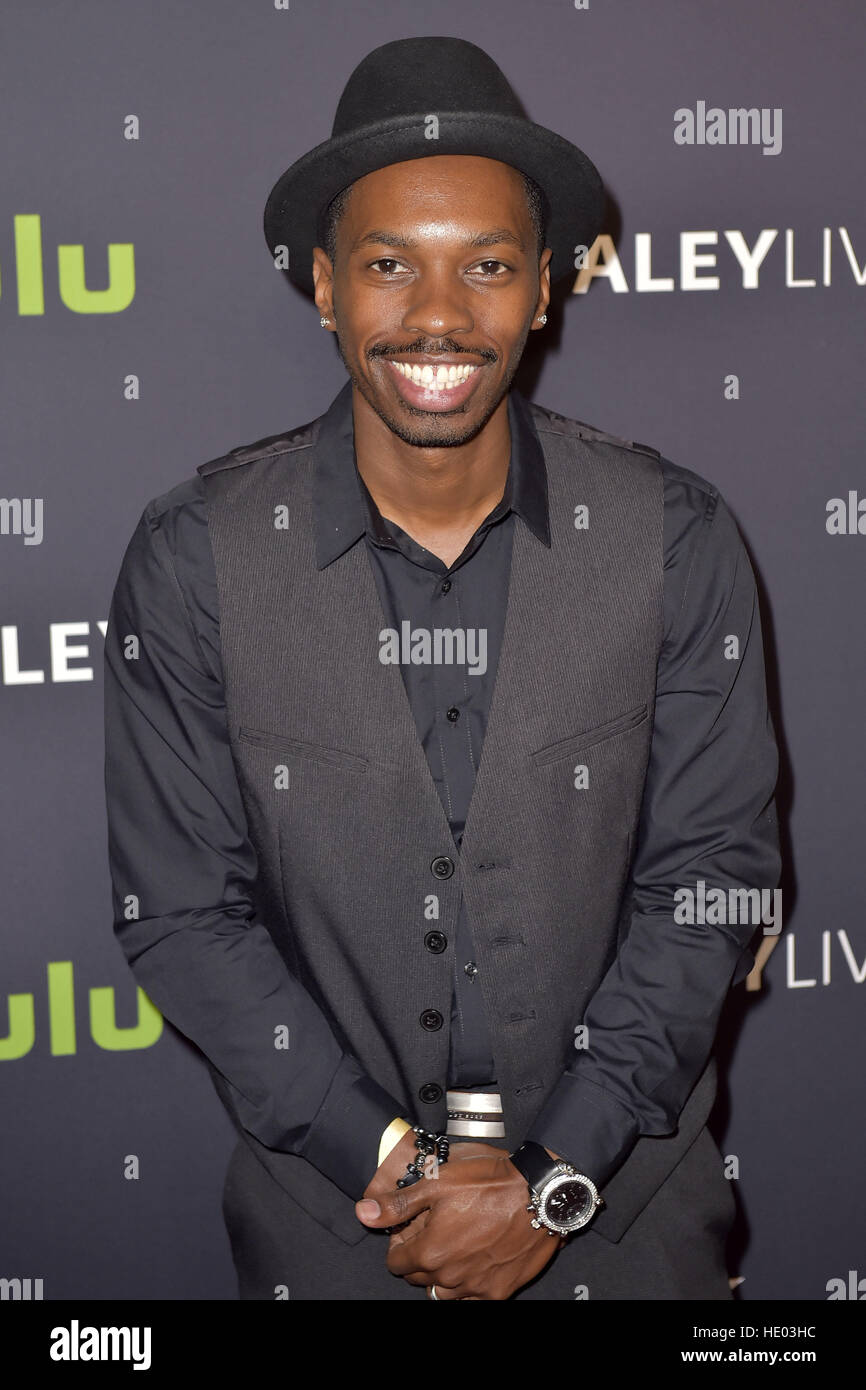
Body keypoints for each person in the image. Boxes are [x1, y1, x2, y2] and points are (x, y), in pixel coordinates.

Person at [103, 36, 781, 1301]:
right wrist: (402, 1166)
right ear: (320, 287)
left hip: (627, 1221)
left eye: (483, 266)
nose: (434, 315)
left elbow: (710, 881)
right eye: (385, 266)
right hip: (335, 1227)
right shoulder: (193, 558)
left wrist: (552, 1176)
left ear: (541, 290)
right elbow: (186, 916)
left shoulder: (672, 536)